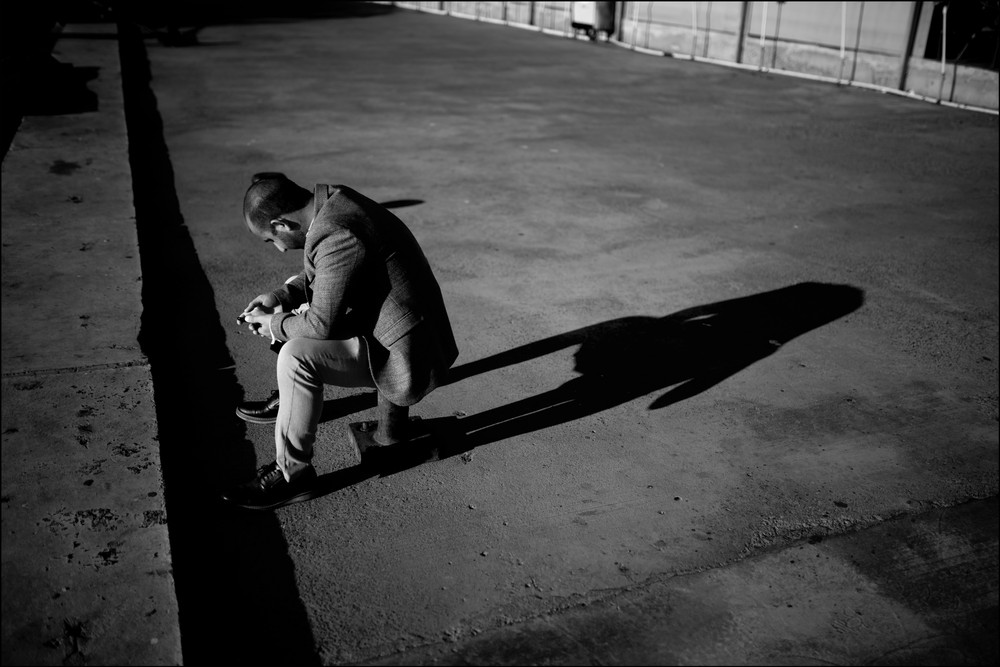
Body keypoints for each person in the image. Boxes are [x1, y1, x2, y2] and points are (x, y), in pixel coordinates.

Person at [221, 175, 458, 510]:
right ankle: (292, 403)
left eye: (270, 239)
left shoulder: (335, 231)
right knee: (296, 315)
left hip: (404, 351)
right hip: (399, 327)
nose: (276, 248)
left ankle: (292, 474)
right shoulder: (334, 204)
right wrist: (279, 297)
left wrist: (273, 325)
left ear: (282, 224)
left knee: (295, 355)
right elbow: (329, 272)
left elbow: (320, 325)